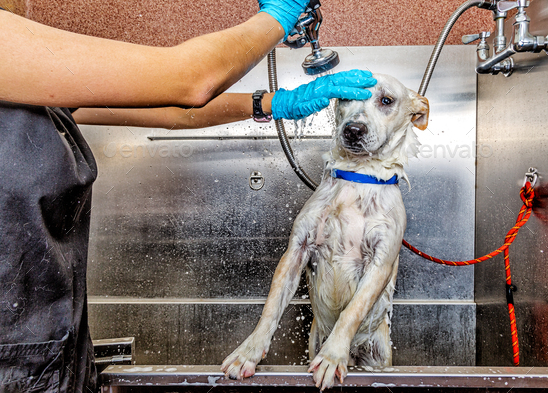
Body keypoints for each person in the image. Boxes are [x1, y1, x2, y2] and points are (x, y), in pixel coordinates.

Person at [0, 2, 377, 392]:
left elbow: (172, 110)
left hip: (48, 347)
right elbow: (192, 79)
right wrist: (279, 16)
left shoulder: (26, 76)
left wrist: (272, 104)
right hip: (15, 353)